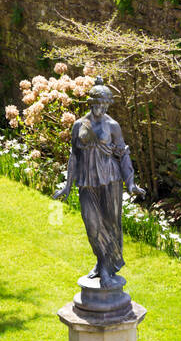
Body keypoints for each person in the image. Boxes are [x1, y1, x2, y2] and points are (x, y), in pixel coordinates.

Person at [53, 76, 146, 286]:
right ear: (91, 104)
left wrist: (130, 184)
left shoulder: (113, 126)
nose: (102, 109)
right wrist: (67, 186)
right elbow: (73, 156)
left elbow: (123, 154)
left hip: (110, 181)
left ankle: (104, 267)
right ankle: (102, 263)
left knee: (111, 225)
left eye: (105, 105)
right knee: (92, 226)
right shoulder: (78, 126)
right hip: (87, 181)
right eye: (98, 104)